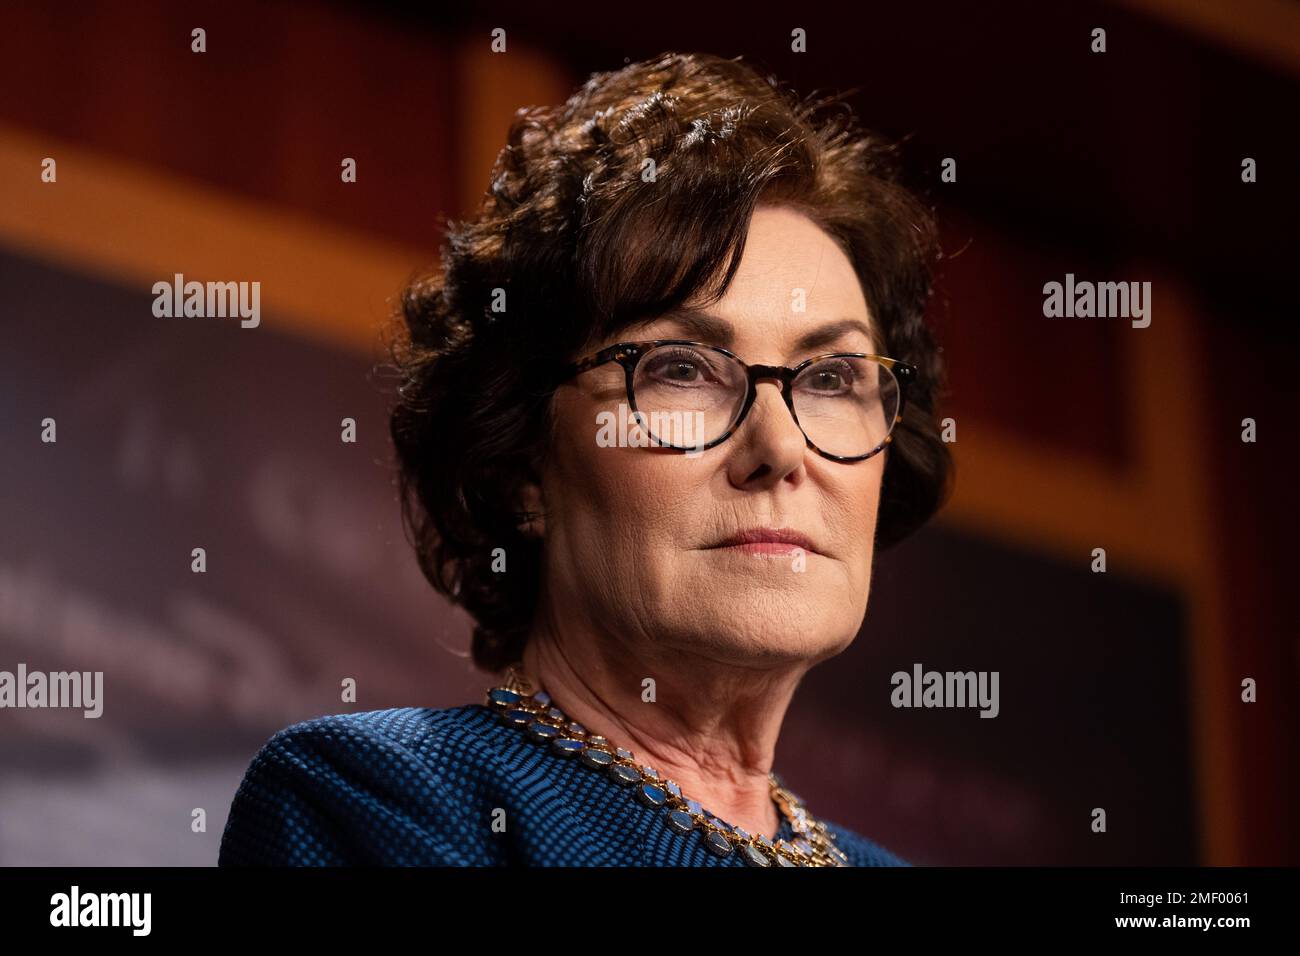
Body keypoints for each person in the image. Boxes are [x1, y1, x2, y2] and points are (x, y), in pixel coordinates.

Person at [219, 50, 951, 867]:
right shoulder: (379, 802)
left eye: (830, 378)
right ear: (520, 464)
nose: (779, 449)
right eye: (681, 369)